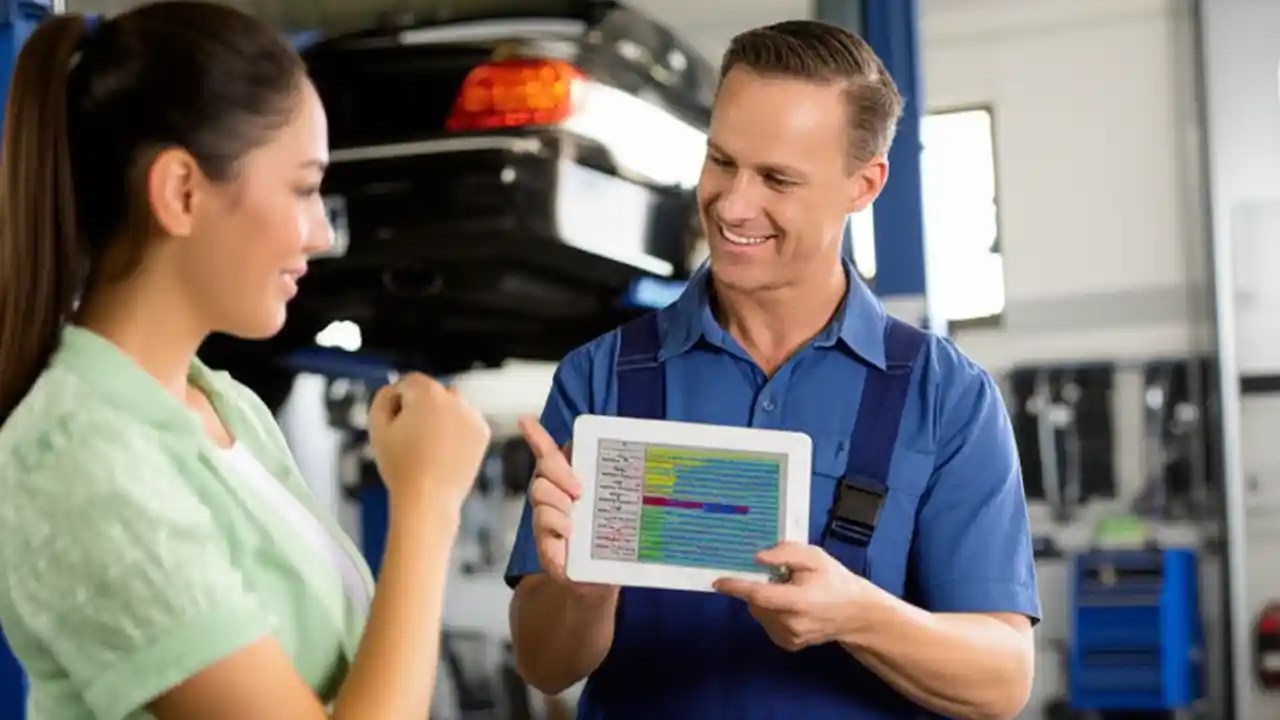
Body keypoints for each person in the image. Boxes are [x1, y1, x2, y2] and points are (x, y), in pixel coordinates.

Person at [505, 19, 1041, 720]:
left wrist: (857, 615)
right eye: (721, 160)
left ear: (865, 184)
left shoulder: (945, 399)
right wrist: (581, 585)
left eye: (777, 178)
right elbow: (545, 668)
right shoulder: (602, 379)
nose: (732, 204)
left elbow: (1001, 681)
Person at [0, 3, 491, 718]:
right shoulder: (79, 459)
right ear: (182, 192)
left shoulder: (228, 408)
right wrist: (425, 504)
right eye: (302, 188)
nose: (322, 233)